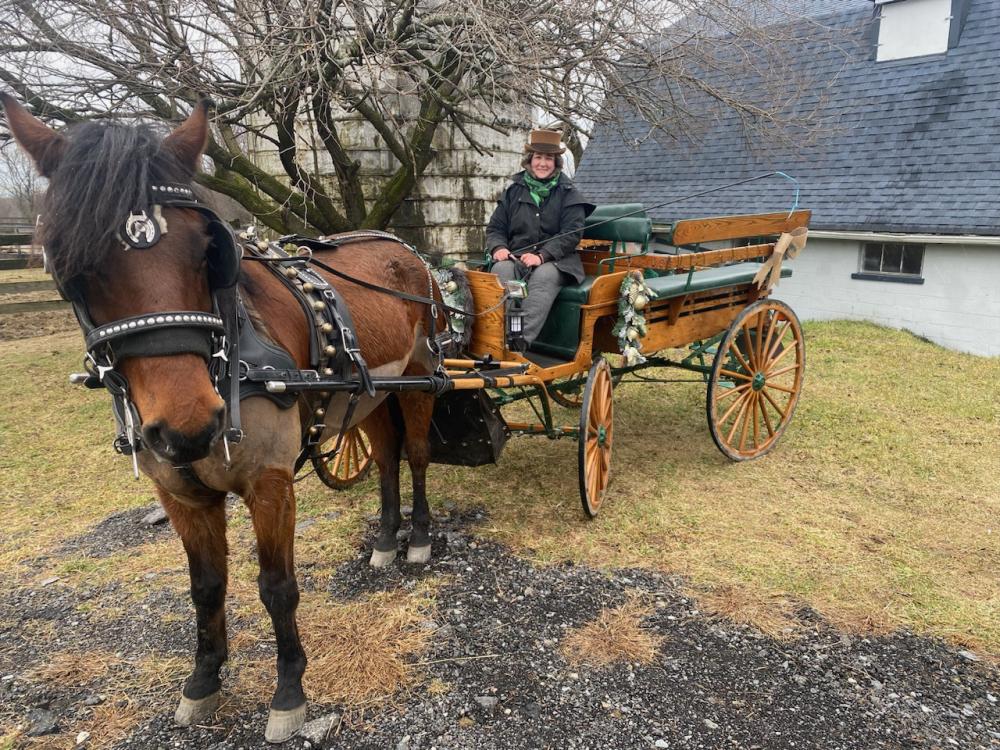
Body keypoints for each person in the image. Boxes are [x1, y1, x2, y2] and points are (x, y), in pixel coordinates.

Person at [485, 128, 594, 348]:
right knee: (501, 270)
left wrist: (542, 256)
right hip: (516, 258)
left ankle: (518, 343)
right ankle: (499, 337)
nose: (542, 163)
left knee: (543, 276)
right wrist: (498, 247)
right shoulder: (514, 191)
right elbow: (496, 228)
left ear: (556, 163)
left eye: (548, 158)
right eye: (538, 157)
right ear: (530, 160)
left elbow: (571, 234)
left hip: (558, 262)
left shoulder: (569, 194)